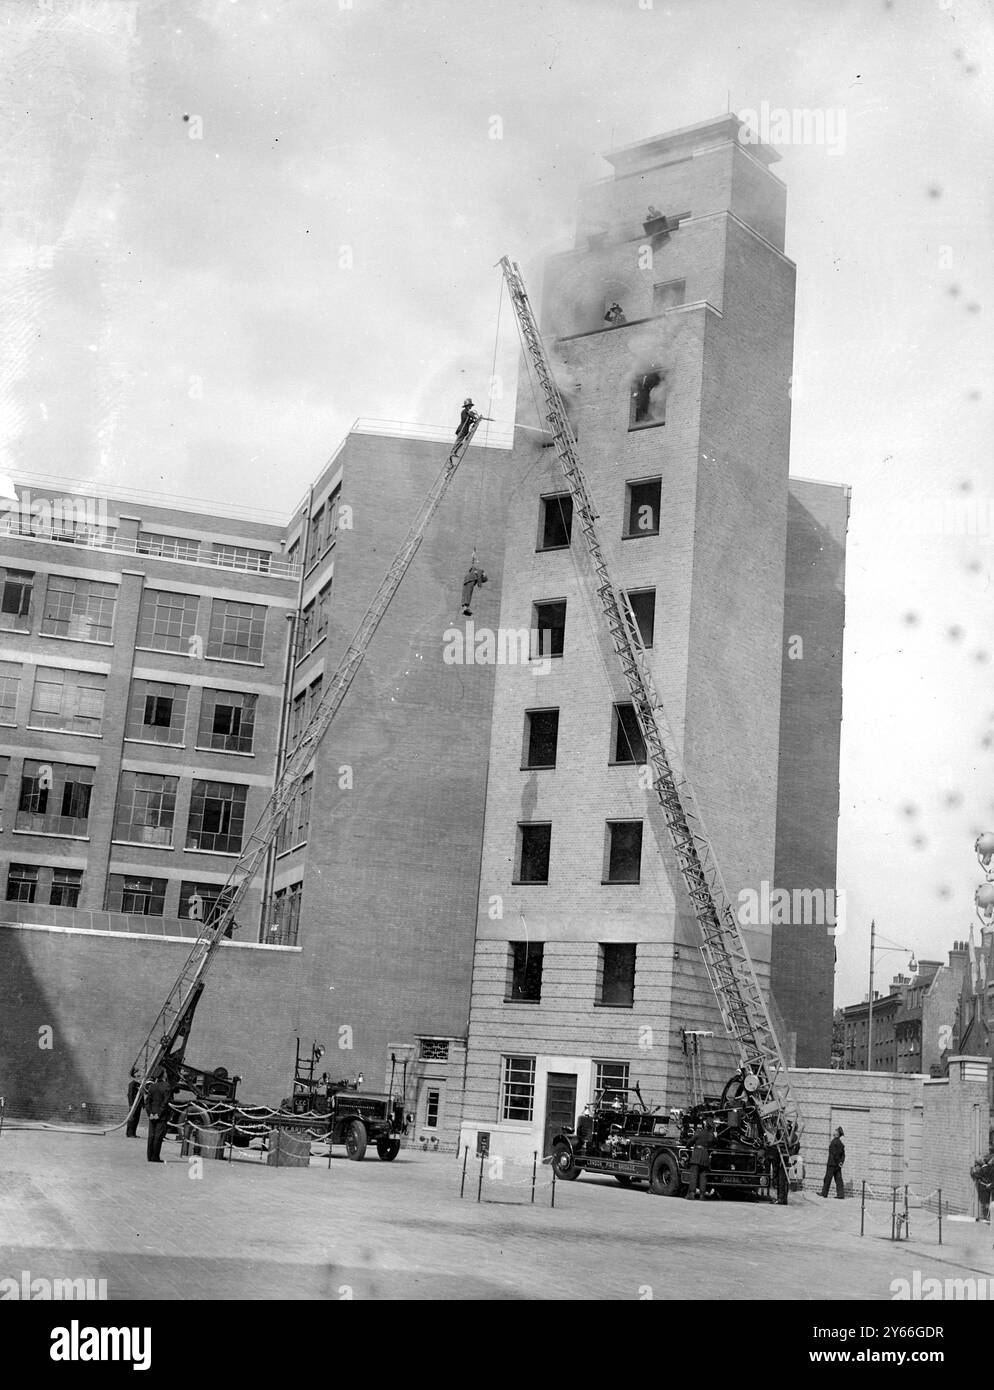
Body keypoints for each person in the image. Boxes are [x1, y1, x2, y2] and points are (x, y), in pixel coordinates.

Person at [145, 1067, 174, 1164]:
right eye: (165, 1072)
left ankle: (149, 1156)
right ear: (163, 1074)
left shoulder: (152, 1086)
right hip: (160, 1116)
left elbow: (147, 1102)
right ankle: (155, 1156)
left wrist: (150, 1114)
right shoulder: (167, 1086)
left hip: (152, 1114)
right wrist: (159, 1114)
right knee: (158, 1136)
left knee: (151, 1135)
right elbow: (165, 1103)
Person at [685, 1117, 714, 1199]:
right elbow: (714, 1142)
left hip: (697, 1155)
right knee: (703, 1176)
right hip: (705, 1156)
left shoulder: (698, 1132)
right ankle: (702, 1195)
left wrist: (687, 1145)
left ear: (705, 1124)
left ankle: (691, 1194)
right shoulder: (710, 1135)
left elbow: (690, 1142)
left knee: (694, 1175)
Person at [821, 1126, 845, 1198]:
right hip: (837, 1165)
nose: (834, 1132)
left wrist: (838, 1162)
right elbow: (843, 1155)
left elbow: (835, 1154)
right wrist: (840, 1163)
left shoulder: (834, 1142)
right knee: (838, 1179)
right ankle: (840, 1194)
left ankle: (824, 1193)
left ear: (837, 1134)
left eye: (835, 1131)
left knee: (827, 1178)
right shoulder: (840, 1143)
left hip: (832, 1164)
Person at [125, 1067, 143, 1138]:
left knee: (136, 1119)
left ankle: (134, 1133)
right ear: (134, 1075)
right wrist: (131, 1105)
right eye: (137, 1075)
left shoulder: (139, 1084)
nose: (139, 1076)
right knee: (132, 1119)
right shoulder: (132, 1084)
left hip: (138, 1104)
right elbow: (130, 1095)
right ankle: (129, 1133)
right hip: (133, 1105)